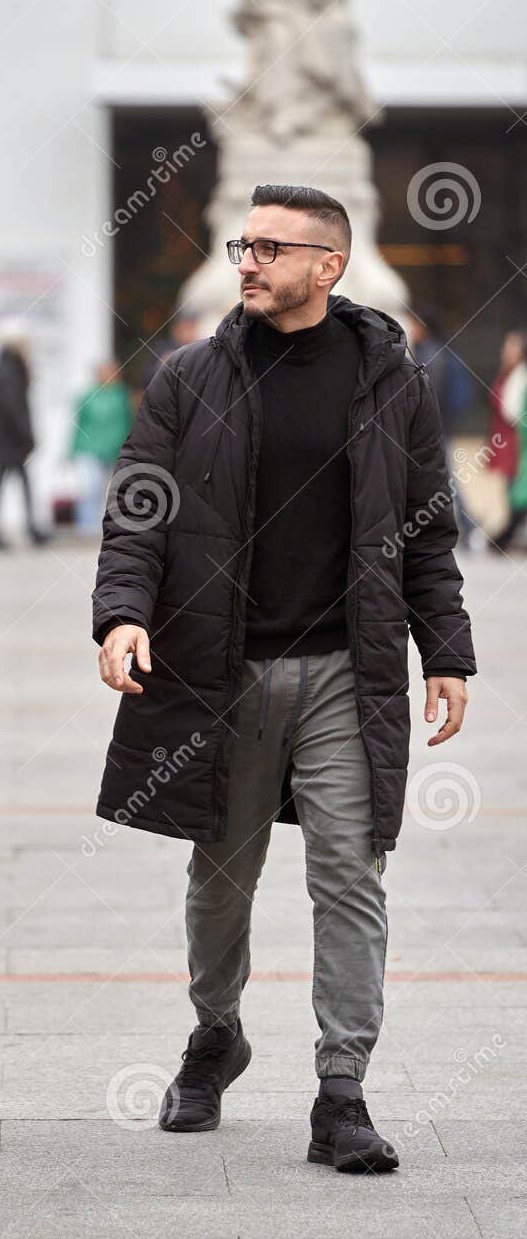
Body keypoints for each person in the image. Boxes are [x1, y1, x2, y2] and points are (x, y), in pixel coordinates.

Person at [93, 183, 476, 1178]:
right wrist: (122, 612)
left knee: (348, 871)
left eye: (269, 247)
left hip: (346, 671)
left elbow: (427, 526)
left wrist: (444, 651)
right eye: (242, 243)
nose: (247, 261)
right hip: (218, 673)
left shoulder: (389, 377)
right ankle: (214, 1031)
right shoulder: (189, 376)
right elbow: (138, 502)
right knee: (218, 882)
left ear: (327, 265)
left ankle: (340, 1092)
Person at [406, 310, 478, 549]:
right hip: (441, 427)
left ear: (422, 327)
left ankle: (467, 525)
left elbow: (428, 397)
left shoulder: (430, 355)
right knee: (444, 478)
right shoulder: (437, 352)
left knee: (445, 479)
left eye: (413, 324)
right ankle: (466, 525)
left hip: (434, 429)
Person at [0, 321, 49, 548]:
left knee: (8, 483)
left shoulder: (8, 365)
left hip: (8, 439)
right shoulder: (10, 367)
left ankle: (15, 527)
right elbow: (13, 407)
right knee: (10, 483)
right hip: (10, 440)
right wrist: (26, 434)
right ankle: (18, 528)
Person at [69, 362, 133, 533]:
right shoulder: (87, 395)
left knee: (108, 489)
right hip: (89, 448)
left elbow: (125, 423)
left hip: (112, 450)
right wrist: (72, 449)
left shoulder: (121, 395)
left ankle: (104, 524)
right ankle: (86, 525)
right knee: (89, 487)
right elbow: (79, 425)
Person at [487, 330, 525, 550]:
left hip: (515, 441)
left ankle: (509, 534)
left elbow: (513, 412)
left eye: (512, 346)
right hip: (504, 438)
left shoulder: (520, 376)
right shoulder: (507, 373)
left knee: (517, 489)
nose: (507, 350)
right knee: (511, 488)